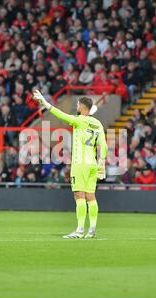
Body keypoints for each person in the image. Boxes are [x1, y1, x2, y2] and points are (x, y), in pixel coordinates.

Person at [33, 90, 107, 239]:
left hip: (80, 164)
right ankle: (91, 230)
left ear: (83, 107)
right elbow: (103, 145)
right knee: (91, 196)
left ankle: (79, 231)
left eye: (78, 104)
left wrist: (45, 103)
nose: (77, 106)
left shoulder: (80, 120)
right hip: (92, 164)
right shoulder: (97, 124)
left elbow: (60, 115)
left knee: (79, 195)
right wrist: (102, 162)